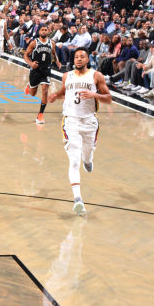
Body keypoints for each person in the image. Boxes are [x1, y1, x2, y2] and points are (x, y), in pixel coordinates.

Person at [48, 48, 113, 218]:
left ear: (87, 59)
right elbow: (64, 92)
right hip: (71, 122)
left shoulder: (96, 76)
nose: (78, 59)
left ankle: (89, 160)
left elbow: (109, 98)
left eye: (82, 56)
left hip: (90, 122)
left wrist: (94, 94)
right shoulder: (66, 76)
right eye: (76, 57)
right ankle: (78, 199)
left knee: (87, 155)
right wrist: (55, 95)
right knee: (74, 160)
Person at [24, 24, 61, 124]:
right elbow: (25, 55)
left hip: (46, 69)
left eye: (46, 30)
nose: (44, 31)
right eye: (42, 30)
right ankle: (29, 85)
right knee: (32, 93)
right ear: (39, 32)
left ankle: (40, 115)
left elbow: (54, 53)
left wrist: (57, 61)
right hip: (36, 70)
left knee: (45, 90)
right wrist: (31, 63)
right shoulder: (34, 43)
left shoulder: (52, 43)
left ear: (48, 31)